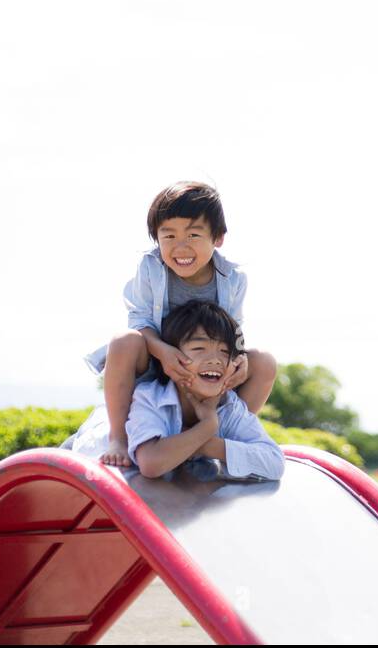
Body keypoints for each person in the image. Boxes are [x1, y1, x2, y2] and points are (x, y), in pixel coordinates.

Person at [82, 181, 277, 468]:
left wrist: (239, 356)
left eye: (194, 235)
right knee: (124, 341)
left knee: (263, 362)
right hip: (154, 356)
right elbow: (141, 320)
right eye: (168, 235)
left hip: (202, 362)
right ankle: (119, 439)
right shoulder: (151, 268)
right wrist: (162, 351)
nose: (180, 246)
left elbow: (233, 327)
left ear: (218, 238)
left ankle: (214, 436)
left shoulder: (233, 278)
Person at [66, 299, 285, 482]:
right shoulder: (150, 397)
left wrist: (205, 446)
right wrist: (207, 428)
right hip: (89, 456)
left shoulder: (229, 406)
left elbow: (274, 463)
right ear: (171, 362)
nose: (214, 360)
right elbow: (150, 463)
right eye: (199, 349)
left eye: (224, 351)